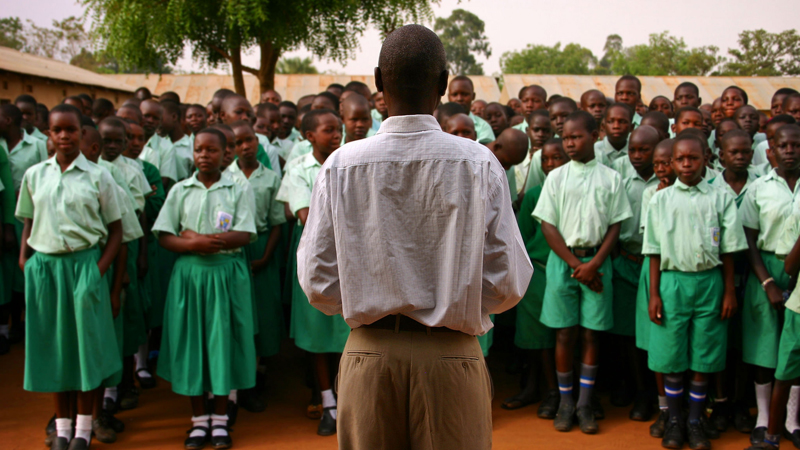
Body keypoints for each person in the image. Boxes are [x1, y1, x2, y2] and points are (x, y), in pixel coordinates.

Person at [297, 25, 531, 449]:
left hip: (369, 356)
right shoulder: (478, 164)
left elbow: (319, 285)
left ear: (379, 82)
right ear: (444, 84)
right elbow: (508, 284)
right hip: (450, 357)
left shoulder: (340, 166)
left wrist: (372, 296)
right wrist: (450, 297)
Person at [17, 104, 124, 450]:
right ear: (48, 134)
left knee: (86, 349)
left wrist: (98, 272)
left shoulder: (98, 176)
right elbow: (28, 221)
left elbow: (116, 231)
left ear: (82, 133)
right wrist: (25, 259)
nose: (64, 136)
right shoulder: (36, 175)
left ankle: (83, 428)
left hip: (84, 267)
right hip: (45, 268)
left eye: (71, 130)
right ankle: (62, 428)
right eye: (57, 130)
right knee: (54, 348)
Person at [153, 127, 257, 450]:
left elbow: (245, 232)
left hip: (226, 275)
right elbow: (163, 234)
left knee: (223, 344)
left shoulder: (238, 189)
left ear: (225, 154)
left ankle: (222, 419)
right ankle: (199, 421)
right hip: (190, 277)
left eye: (212, 150)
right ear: (192, 152)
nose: (204, 155)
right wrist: (190, 243)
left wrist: (200, 239)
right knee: (192, 343)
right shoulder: (180, 191)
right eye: (199, 150)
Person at [643, 133, 747, 450]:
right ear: (671, 162)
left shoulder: (721, 197)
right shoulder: (660, 199)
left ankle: (695, 421)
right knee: (672, 355)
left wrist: (729, 290)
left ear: (706, 159)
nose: (687, 164)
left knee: (705, 356)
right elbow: (654, 250)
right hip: (672, 282)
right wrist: (655, 294)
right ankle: (674, 420)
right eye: (680, 159)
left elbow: (730, 249)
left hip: (710, 282)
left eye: (693, 158)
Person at [533, 110, 632, 434]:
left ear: (595, 135)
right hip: (566, 265)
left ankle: (585, 403)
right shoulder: (557, 177)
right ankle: (565, 401)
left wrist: (593, 265)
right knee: (564, 333)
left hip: (598, 264)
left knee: (591, 333)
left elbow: (616, 226)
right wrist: (578, 266)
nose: (570, 143)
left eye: (577, 137)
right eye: (566, 138)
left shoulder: (611, 177)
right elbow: (548, 225)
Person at [278, 109, 348, 436]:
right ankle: (327, 402)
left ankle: (347, 398)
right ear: (309, 136)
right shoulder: (298, 169)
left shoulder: (349, 161)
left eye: (338, 129)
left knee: (347, 331)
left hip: (349, 256)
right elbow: (306, 215)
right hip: (316, 254)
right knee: (318, 331)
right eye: (328, 130)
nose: (336, 135)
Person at [738, 123, 800, 446]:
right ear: (770, 150)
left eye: (796, 145)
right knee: (764, 347)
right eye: (783, 145)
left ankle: (791, 419)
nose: (790, 150)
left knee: (796, 348)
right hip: (766, 267)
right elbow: (748, 237)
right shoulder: (759, 187)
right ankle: (764, 418)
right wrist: (767, 281)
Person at [502, 138, 567, 417]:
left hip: (569, 271)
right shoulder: (533, 194)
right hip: (538, 272)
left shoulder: (575, 192)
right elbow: (523, 239)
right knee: (536, 338)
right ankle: (545, 391)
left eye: (558, 158)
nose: (552, 165)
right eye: (547, 160)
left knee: (565, 337)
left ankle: (566, 394)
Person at [226, 120, 286, 412]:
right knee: (238, 316)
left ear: (257, 142)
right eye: (238, 143)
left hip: (262, 249)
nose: (245, 147)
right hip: (233, 251)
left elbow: (276, 223)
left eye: (249, 140)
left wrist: (265, 258)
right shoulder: (225, 177)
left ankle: (257, 376)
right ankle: (237, 384)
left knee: (263, 314)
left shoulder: (271, 178)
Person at [608, 125, 660, 419]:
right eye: (633, 150)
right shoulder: (619, 172)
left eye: (645, 150)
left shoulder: (668, 176)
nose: (637, 156)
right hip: (626, 259)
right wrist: (616, 257)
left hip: (657, 263)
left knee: (655, 332)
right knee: (627, 334)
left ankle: (656, 392)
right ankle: (638, 390)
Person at [635, 138, 677, 439]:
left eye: (668, 163)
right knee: (660, 346)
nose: (663, 169)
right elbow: (651, 241)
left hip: (689, 275)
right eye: (658, 164)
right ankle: (666, 410)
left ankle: (689, 411)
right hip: (656, 272)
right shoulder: (652, 193)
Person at [0, 104, 48, 347]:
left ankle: (21, 323)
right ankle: (7, 322)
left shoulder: (37, 145)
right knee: (6, 270)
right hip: (6, 211)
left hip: (28, 214)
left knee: (24, 270)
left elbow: (45, 175)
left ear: (8, 120)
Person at [139, 99, 179, 190]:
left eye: (155, 118)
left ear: (160, 121)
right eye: (146, 116)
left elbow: (164, 181)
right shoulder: (126, 140)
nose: (150, 121)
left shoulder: (166, 147)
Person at [447, 75, 494, 144]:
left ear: (473, 96)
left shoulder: (483, 127)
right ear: (448, 97)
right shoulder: (439, 123)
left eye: (465, 94)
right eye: (455, 94)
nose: (459, 98)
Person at [516, 109, 553, 195]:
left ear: (553, 133)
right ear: (527, 131)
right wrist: (533, 162)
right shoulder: (518, 161)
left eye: (546, 131)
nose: (541, 134)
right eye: (536, 130)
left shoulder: (559, 160)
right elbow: (518, 199)